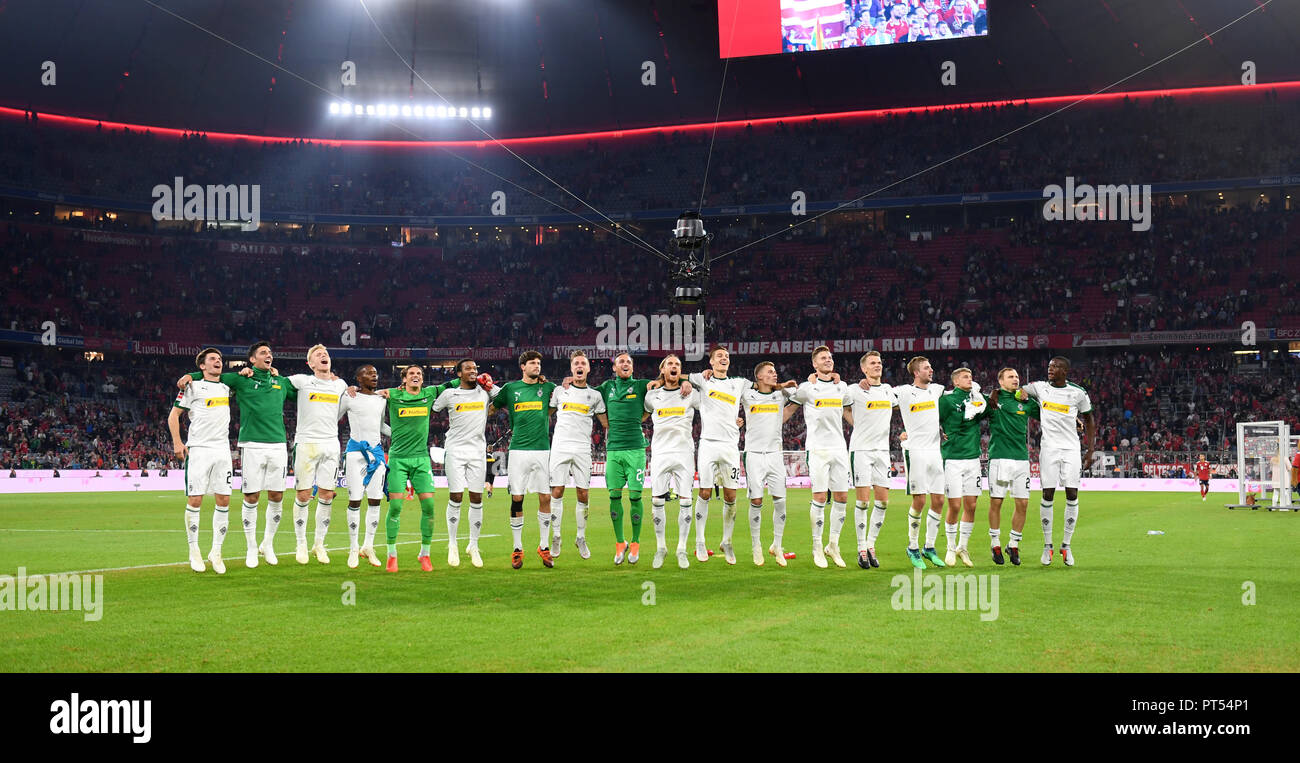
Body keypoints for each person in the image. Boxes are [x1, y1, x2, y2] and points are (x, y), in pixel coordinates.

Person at [178, 341, 295, 569]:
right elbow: (212, 377)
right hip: (250, 444)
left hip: (278, 444)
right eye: (263, 352)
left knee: (277, 496)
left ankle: (267, 544)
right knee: (251, 497)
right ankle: (251, 547)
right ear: (251, 359)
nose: (268, 355)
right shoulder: (241, 379)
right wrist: (190, 374)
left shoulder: (281, 381)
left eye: (270, 353)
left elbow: (303, 393)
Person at [1023, 356, 1096, 567]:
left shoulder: (1078, 393)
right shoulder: (1040, 388)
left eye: (1055, 367)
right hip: (1049, 448)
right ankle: (1047, 547)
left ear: (1065, 371)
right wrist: (1020, 394)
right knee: (1048, 493)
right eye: (1049, 366)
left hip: (1071, 449)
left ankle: (1066, 545)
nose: (1050, 369)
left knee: (1072, 493)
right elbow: (1020, 390)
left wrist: (1090, 451)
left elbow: (1090, 419)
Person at [281, 344, 349, 565]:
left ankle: (319, 544)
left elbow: (341, 410)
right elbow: (277, 384)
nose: (323, 356)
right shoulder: (301, 381)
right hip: (306, 444)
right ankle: (301, 543)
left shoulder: (340, 384)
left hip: (331, 444)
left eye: (326, 354)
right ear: (310, 363)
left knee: (327, 495)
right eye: (318, 355)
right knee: (303, 495)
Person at [168, 347, 233, 574]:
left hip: (223, 450)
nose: (218, 361)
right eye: (213, 359)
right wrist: (177, 443)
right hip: (199, 449)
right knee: (195, 500)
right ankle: (194, 550)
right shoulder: (192, 386)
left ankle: (216, 551)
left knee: (224, 500)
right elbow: (173, 416)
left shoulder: (226, 386)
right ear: (202, 366)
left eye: (220, 359)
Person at [490, 351, 558, 569]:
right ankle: (517, 548)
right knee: (517, 498)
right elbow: (492, 406)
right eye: (532, 363)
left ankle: (544, 546)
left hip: (542, 450)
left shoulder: (549, 388)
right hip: (518, 450)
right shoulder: (510, 389)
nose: (537, 366)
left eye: (539, 363)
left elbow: (559, 403)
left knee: (545, 498)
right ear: (522, 366)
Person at [789, 346, 853, 569]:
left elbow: (849, 412)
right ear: (814, 365)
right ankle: (817, 546)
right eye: (823, 358)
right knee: (818, 497)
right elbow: (787, 406)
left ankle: (832, 545)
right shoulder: (807, 388)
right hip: (817, 449)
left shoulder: (842, 387)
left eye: (830, 358)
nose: (828, 360)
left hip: (839, 448)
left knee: (842, 498)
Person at [432, 358, 494, 568]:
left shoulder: (484, 392)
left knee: (476, 498)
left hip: (477, 451)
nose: (473, 371)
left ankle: (473, 545)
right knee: (456, 496)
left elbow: (504, 397)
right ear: (458, 373)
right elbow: (433, 406)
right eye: (467, 368)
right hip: (456, 450)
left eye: (475, 368)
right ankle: (452, 544)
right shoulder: (450, 394)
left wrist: (490, 384)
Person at [547, 351, 607, 560]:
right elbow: (545, 414)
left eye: (583, 363)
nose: (580, 366)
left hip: (582, 448)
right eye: (576, 363)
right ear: (571, 369)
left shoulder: (596, 396)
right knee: (557, 491)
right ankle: (556, 536)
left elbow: (605, 423)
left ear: (588, 369)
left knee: (583, 494)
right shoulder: (559, 391)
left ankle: (580, 537)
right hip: (560, 446)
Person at [740, 360, 799, 566]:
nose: (775, 374)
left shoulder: (781, 395)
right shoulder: (747, 394)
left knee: (780, 501)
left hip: (775, 453)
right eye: (770, 372)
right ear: (760, 377)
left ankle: (777, 545)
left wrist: (782, 387)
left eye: (775, 371)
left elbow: (800, 396)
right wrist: (735, 420)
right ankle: (756, 546)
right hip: (754, 454)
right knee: (756, 501)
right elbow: (727, 403)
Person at [644, 355, 700, 569]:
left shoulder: (690, 393)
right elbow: (640, 413)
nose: (674, 366)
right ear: (663, 370)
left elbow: (712, 405)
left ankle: (682, 549)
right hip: (660, 453)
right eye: (670, 364)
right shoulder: (652, 396)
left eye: (677, 364)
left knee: (685, 500)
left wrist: (689, 381)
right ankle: (661, 548)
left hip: (684, 452)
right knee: (657, 500)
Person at [893, 356, 947, 569]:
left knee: (939, 501)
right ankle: (912, 547)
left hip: (935, 452)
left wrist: (942, 430)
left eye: (930, 366)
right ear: (916, 372)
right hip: (916, 451)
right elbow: (882, 398)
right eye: (926, 367)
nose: (931, 370)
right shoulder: (904, 392)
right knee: (920, 501)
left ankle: (930, 547)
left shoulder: (937, 390)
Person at [845, 351, 896, 569]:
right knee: (863, 501)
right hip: (862, 450)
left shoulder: (888, 391)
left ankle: (871, 544)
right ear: (864, 369)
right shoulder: (854, 390)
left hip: (882, 452)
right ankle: (861, 548)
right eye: (872, 363)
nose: (877, 366)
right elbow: (841, 405)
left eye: (879, 362)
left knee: (883, 501)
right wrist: (856, 423)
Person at [985, 368, 1040, 566]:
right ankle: (995, 544)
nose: (1015, 379)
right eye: (1011, 377)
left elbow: (1048, 415)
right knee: (996, 502)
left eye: (1017, 376)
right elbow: (970, 409)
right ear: (1000, 381)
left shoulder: (1026, 402)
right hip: (1000, 458)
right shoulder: (992, 400)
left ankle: (1014, 544)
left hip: (1021, 459)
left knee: (1023, 504)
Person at [337, 364, 389, 568]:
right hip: (355, 453)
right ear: (359, 378)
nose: (374, 375)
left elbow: (381, 426)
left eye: (376, 373)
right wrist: (344, 390)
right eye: (369, 373)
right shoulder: (350, 396)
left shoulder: (380, 400)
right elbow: (334, 418)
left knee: (375, 501)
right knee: (355, 500)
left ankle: (368, 546)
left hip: (376, 454)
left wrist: (401, 435)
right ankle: (353, 548)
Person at [938, 367, 989, 568]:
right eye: (965, 377)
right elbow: (934, 419)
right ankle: (950, 547)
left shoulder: (977, 398)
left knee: (972, 505)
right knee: (955, 505)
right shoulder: (947, 400)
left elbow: (988, 409)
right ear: (956, 382)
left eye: (971, 376)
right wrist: (940, 431)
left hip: (973, 459)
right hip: (952, 459)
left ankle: (962, 547)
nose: (970, 379)